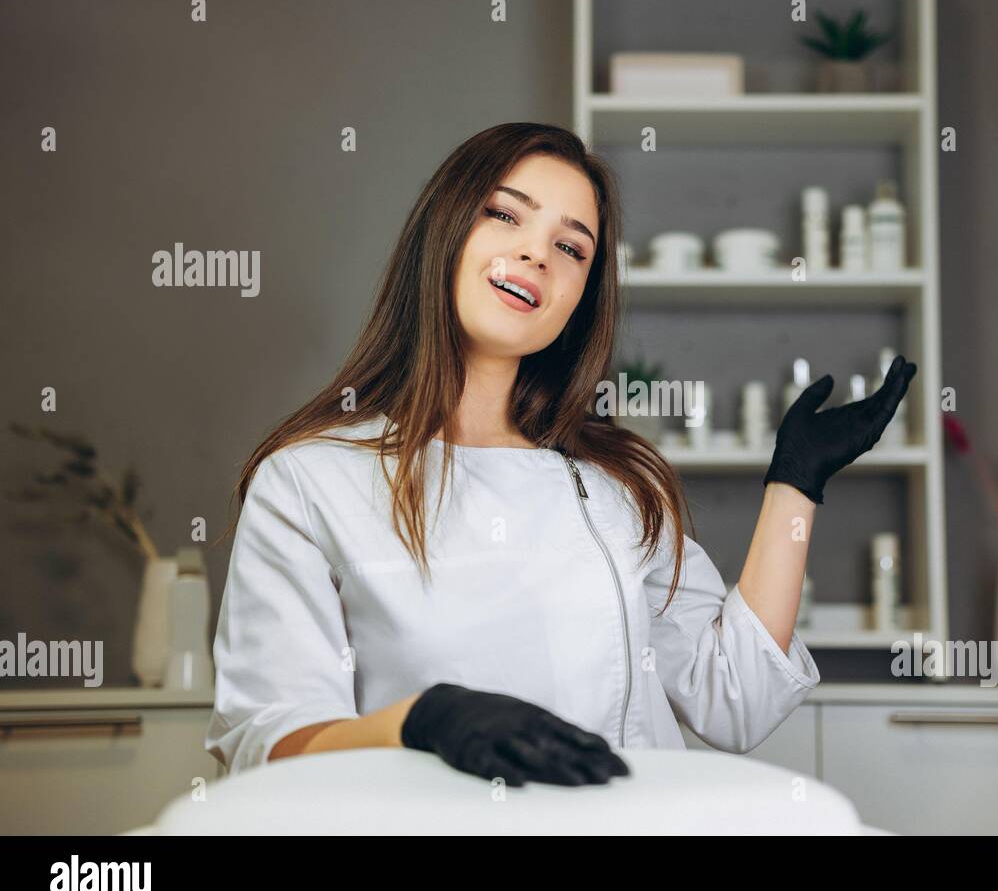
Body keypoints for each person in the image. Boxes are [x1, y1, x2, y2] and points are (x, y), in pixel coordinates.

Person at [205, 122, 916, 787]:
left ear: (579, 296)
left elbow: (738, 698)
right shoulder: (309, 480)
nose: (536, 253)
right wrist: (419, 724)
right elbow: (267, 746)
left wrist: (795, 487)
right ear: (443, 230)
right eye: (505, 215)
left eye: (572, 247)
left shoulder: (617, 482)